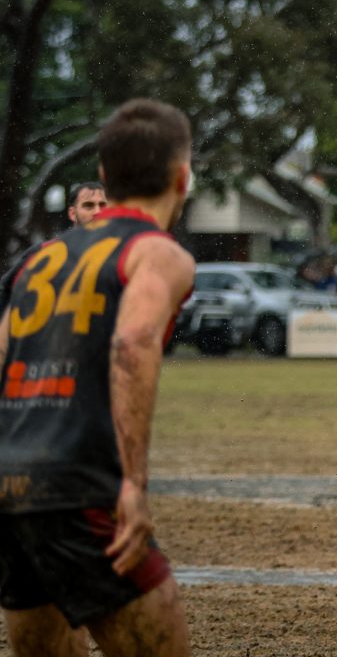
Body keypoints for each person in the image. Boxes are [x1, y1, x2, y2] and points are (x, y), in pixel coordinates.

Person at [0, 99, 195, 656]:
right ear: (182, 177)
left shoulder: (40, 260)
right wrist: (132, 482)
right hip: (79, 484)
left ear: (105, 177)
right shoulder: (157, 252)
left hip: (11, 484)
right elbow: (132, 343)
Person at [0, 182, 108, 315]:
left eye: (103, 205)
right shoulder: (44, 252)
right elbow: (6, 291)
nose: (97, 212)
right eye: (88, 206)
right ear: (73, 213)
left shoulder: (126, 253)